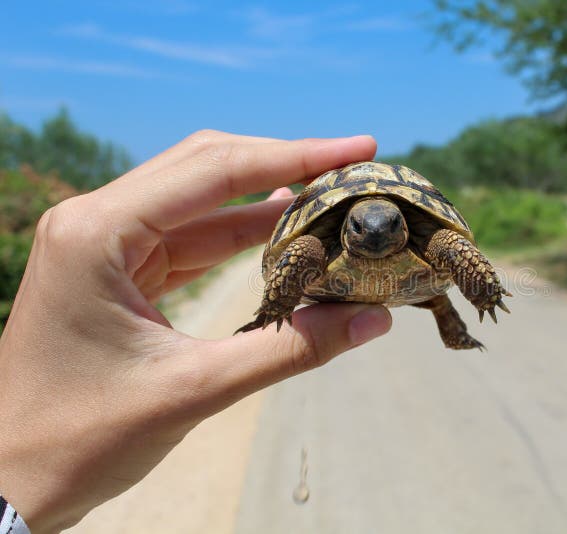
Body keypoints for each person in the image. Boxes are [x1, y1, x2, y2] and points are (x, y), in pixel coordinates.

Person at [0, 131, 393, 533]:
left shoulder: (425, 237)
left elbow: (453, 243)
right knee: (305, 249)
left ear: (402, 224)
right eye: (361, 228)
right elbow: (304, 248)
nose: (376, 234)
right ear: (348, 226)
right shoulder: (314, 245)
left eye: (390, 227)